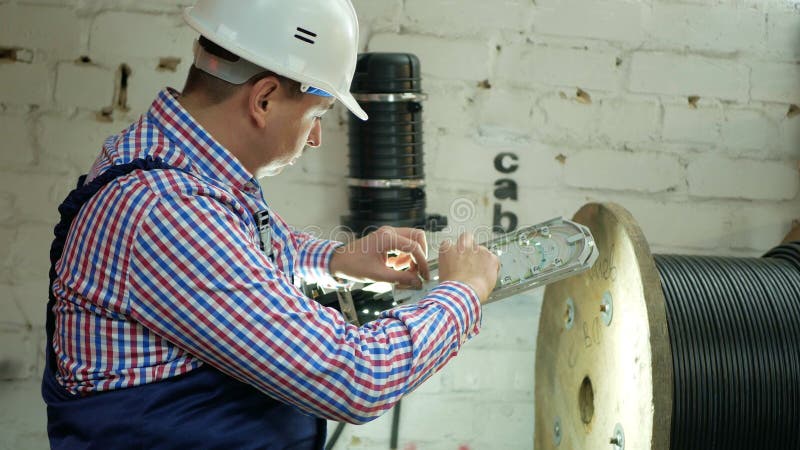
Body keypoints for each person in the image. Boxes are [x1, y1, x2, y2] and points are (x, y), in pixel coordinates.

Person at [42, 0, 500, 448]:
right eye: (316, 115)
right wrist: (463, 292)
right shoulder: (165, 210)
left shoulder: (176, 161)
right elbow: (355, 376)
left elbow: (244, 253)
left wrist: (338, 259)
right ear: (263, 99)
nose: (315, 137)